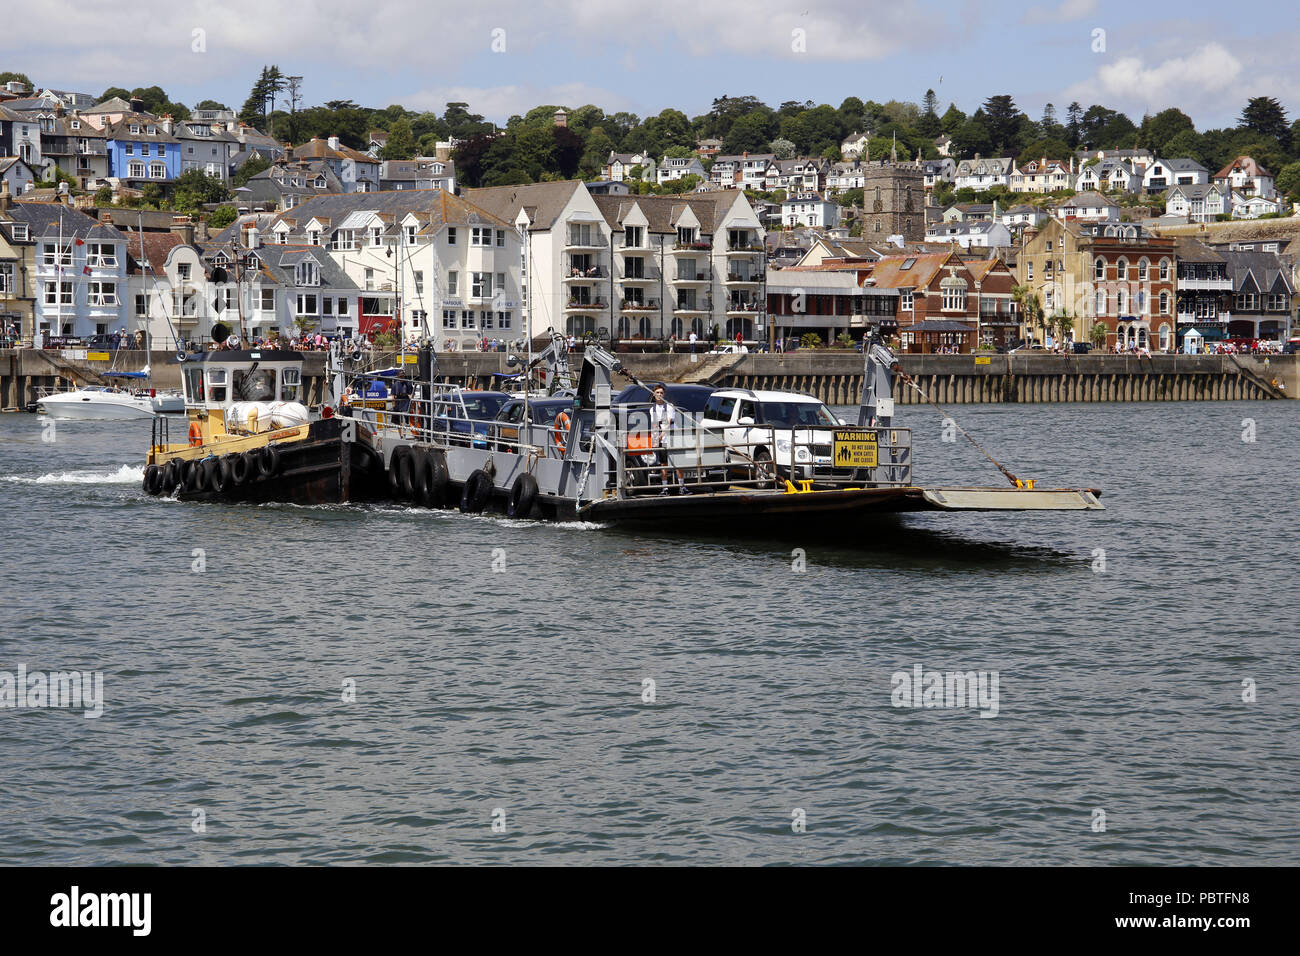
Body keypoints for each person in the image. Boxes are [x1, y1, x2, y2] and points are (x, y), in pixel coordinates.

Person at [649, 384, 688, 495]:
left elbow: (668, 422)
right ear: (654, 394)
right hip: (662, 441)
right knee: (663, 464)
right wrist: (656, 439)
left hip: (672, 438)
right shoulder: (652, 409)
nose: (659, 394)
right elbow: (655, 425)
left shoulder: (669, 407)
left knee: (678, 463)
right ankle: (665, 488)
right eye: (657, 393)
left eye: (661, 393)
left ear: (664, 394)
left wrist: (662, 434)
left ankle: (682, 487)